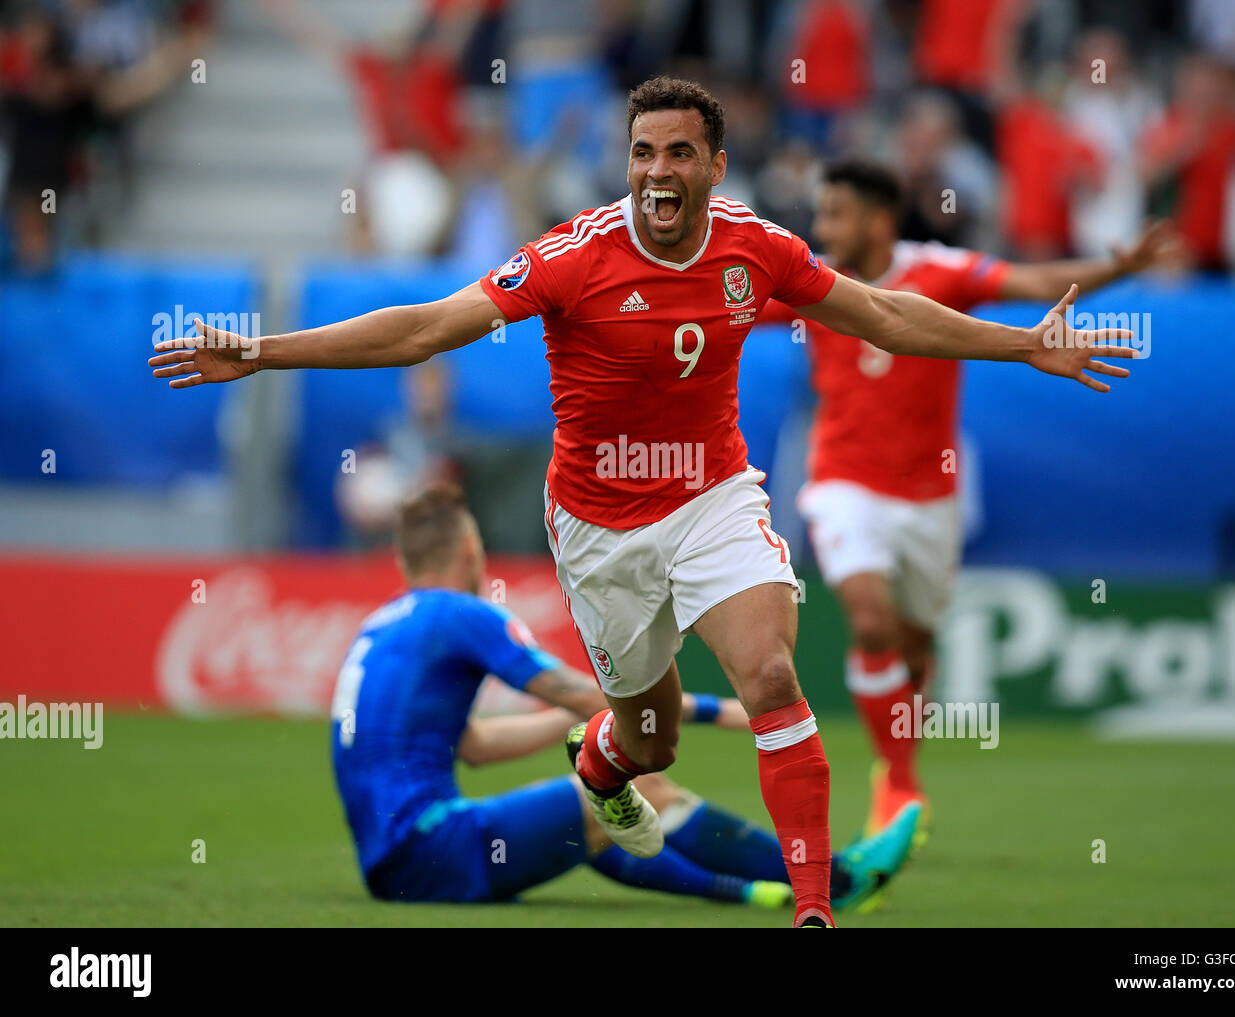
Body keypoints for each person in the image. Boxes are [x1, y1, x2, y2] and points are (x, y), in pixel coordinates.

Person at [150, 76, 1136, 928]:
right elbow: (425, 327)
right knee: (649, 736)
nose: (655, 172)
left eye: (677, 154)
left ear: (714, 165)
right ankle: (603, 768)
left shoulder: (756, 250)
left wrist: (1022, 343)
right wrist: (262, 351)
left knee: (772, 678)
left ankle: (813, 906)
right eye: (640, 153)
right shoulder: (575, 254)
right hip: (597, 528)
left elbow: (879, 310)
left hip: (711, 495)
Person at [767, 160, 1172, 841]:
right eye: (821, 213)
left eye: (835, 213)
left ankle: (898, 763)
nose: (821, 228)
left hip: (930, 495)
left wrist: (1117, 269)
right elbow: (726, 301)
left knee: (917, 647)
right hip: (842, 482)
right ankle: (897, 785)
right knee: (871, 622)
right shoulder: (810, 282)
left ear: (877, 219)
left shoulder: (941, 273)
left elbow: (1035, 283)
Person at [330, 483, 920, 911]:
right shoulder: (461, 614)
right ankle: (839, 881)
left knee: (602, 806)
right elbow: (582, 694)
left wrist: (584, 720)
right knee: (631, 791)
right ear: (467, 552)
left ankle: (748, 890)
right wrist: (714, 710)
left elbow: (476, 746)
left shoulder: (383, 623)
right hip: (435, 844)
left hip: (392, 866)